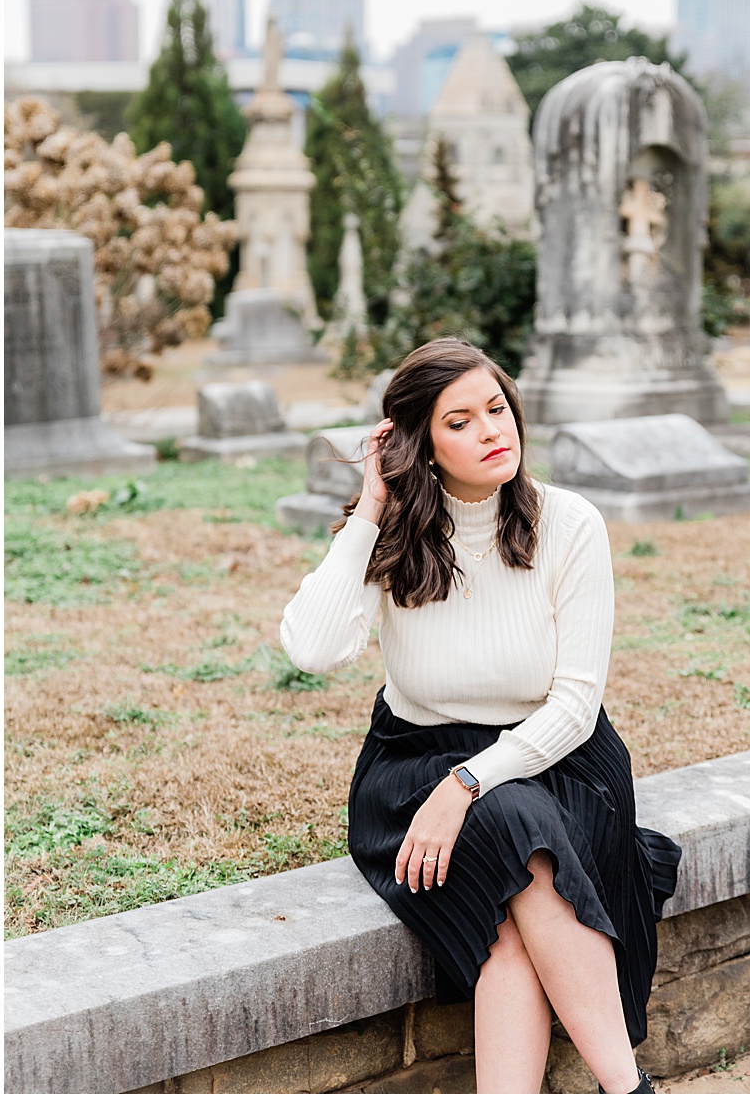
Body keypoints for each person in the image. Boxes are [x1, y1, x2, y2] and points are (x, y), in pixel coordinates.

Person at [281, 338, 678, 1094]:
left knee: (513, 843)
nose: (492, 430)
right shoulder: (397, 538)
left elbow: (574, 706)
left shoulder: (570, 523)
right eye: (458, 421)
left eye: (495, 408)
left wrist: (467, 784)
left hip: (558, 760)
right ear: (420, 445)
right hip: (413, 767)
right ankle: (629, 1088)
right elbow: (311, 645)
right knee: (513, 856)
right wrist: (370, 508)